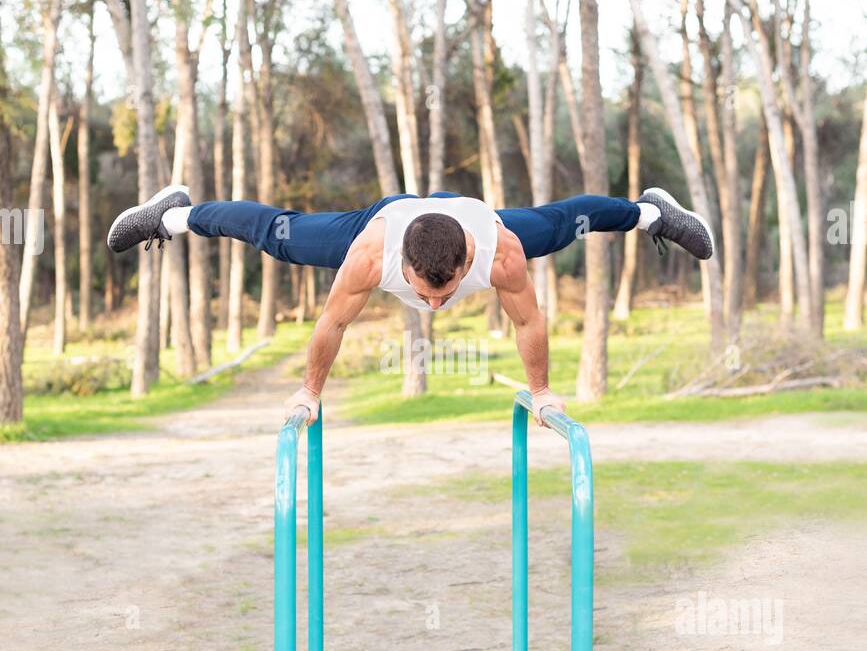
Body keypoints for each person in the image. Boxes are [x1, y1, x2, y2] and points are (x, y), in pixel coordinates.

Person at [107, 185, 713, 425]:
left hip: (471, 215)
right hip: (390, 215)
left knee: (562, 224)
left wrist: (545, 390)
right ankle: (174, 213)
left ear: (466, 265)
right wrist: (309, 393)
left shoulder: (500, 251)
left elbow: (527, 319)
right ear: (401, 271)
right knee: (281, 236)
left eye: (443, 295)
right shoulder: (370, 255)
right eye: (422, 294)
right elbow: (332, 323)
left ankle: (654, 212)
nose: (433, 305)